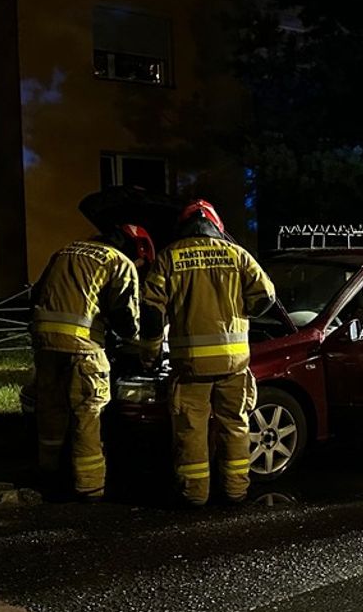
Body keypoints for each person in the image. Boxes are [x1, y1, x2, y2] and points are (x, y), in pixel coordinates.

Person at [142, 199, 275, 507]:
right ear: (217, 226)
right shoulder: (238, 255)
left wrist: (149, 354)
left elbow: (150, 312)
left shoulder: (169, 257)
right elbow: (266, 296)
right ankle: (235, 491)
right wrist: (242, 311)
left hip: (190, 365)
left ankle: (195, 495)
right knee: (235, 424)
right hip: (234, 363)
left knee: (190, 429)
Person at [30, 223, 154, 499]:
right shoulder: (119, 262)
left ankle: (48, 472)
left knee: (51, 407)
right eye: (142, 262)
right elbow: (125, 318)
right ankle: (89, 486)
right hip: (82, 346)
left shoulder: (65, 251)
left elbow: (36, 294)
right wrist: (133, 339)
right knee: (88, 412)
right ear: (137, 251)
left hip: (45, 343)